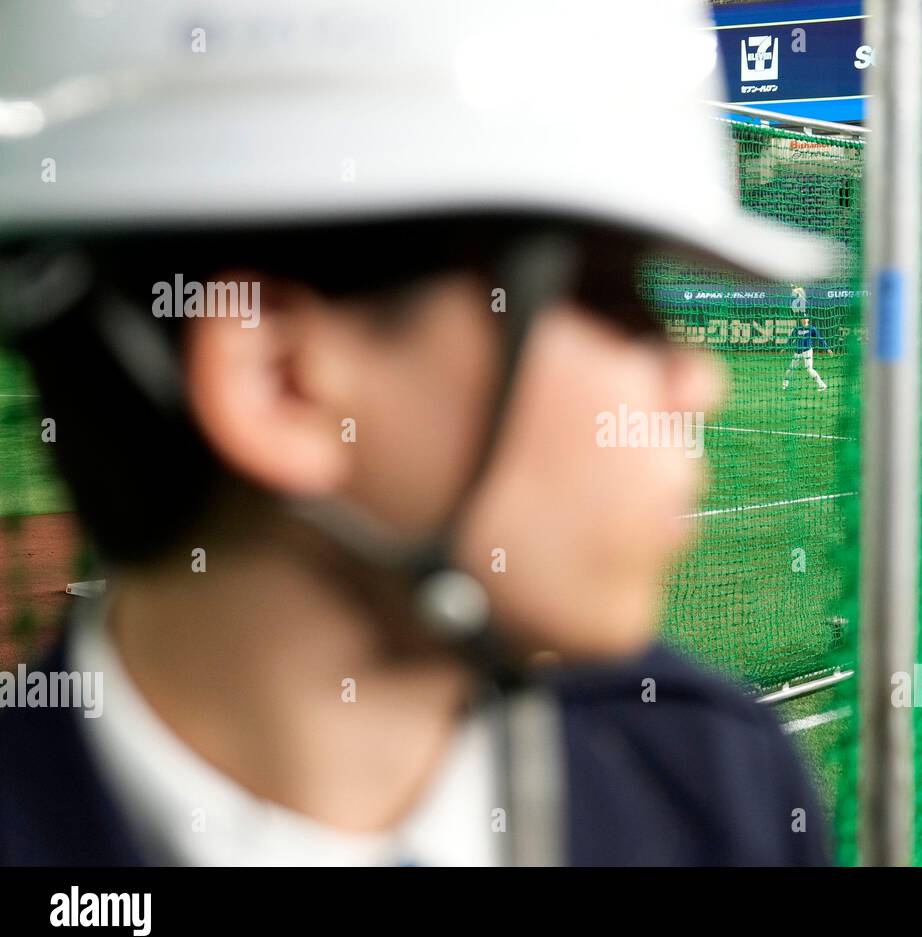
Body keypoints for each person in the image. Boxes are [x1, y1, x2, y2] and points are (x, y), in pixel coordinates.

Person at [0, 0, 833, 866]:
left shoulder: (718, 781)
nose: (701, 380)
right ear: (281, 382)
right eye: (613, 295)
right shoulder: (699, 787)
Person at [783, 315, 832, 391]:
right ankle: (784, 386)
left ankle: (822, 385)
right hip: (798, 352)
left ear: (808, 319)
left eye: (806, 318)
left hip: (807, 351)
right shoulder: (797, 329)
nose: (804, 320)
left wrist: (827, 348)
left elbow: (820, 338)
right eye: (803, 318)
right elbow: (791, 339)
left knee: (809, 369)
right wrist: (785, 347)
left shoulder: (812, 329)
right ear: (801, 320)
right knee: (790, 369)